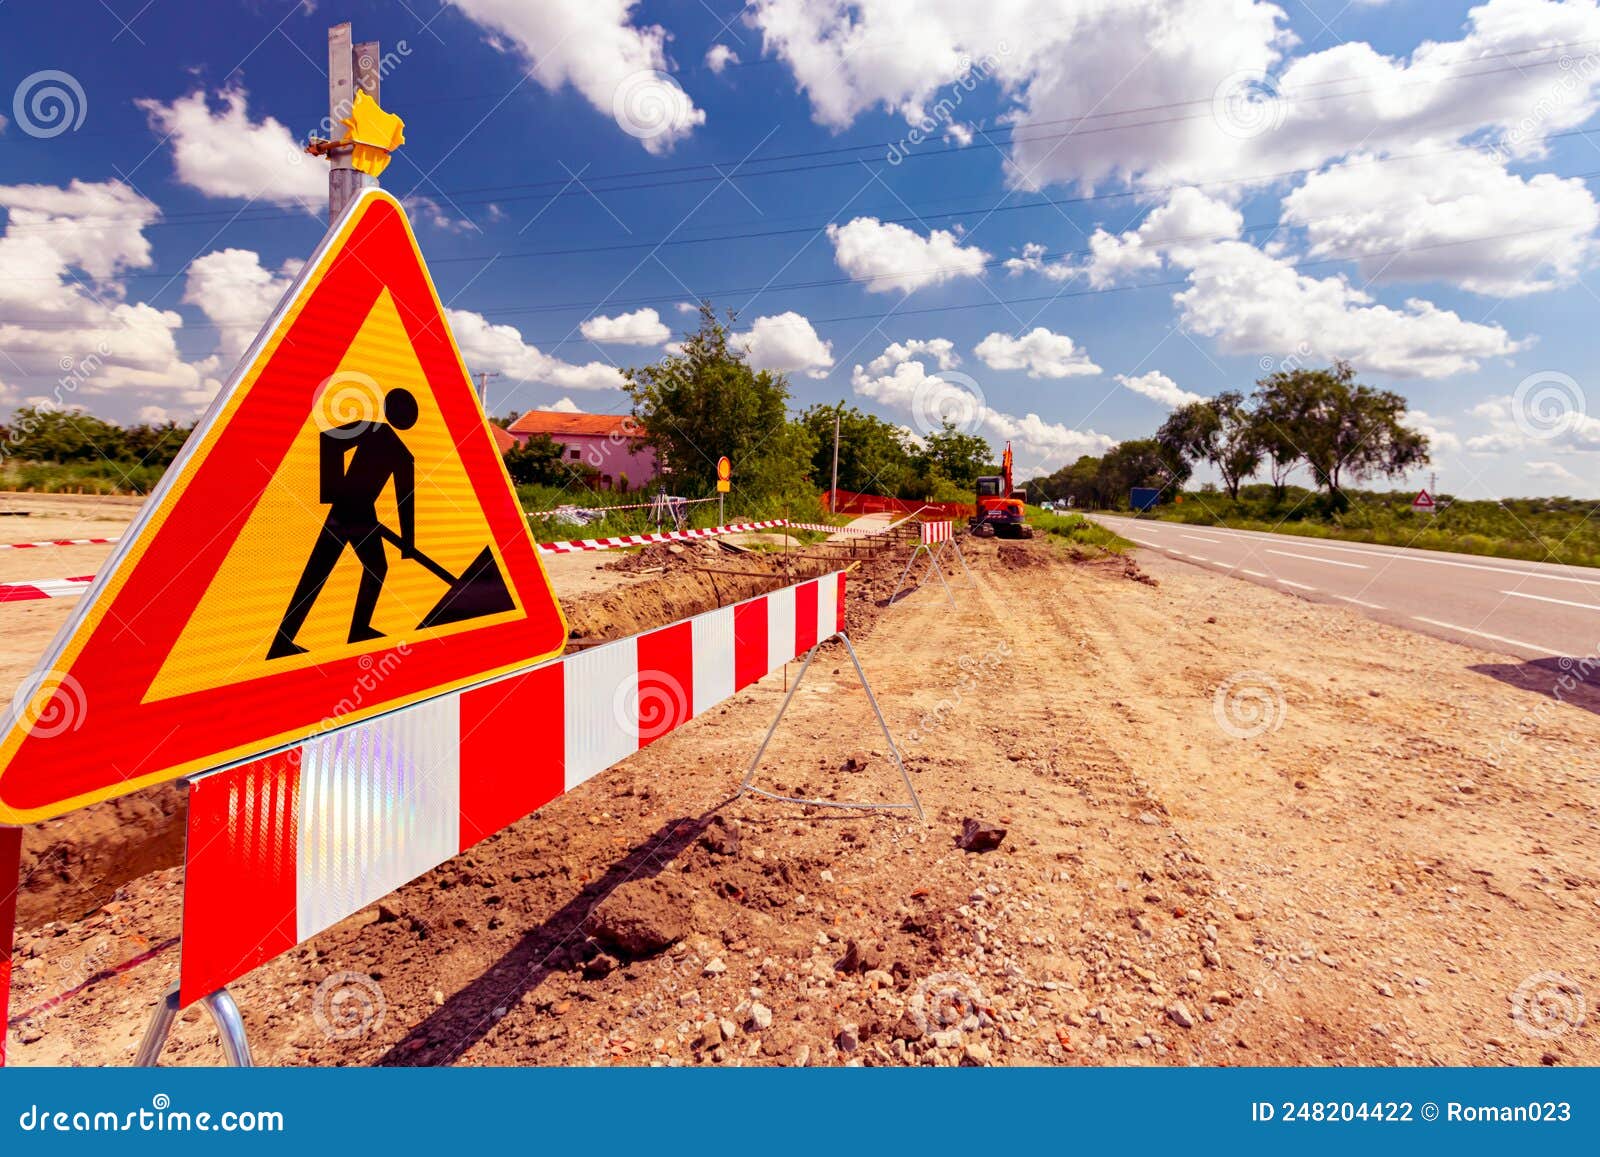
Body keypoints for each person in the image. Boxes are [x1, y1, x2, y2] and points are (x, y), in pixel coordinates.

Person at [267, 387, 418, 659]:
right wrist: (333, 492)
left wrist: (408, 542)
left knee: (367, 568)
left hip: (361, 513)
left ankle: (356, 630)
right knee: (319, 571)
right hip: (348, 511)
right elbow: (329, 439)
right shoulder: (375, 432)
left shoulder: (402, 453)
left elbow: (405, 499)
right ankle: (283, 641)